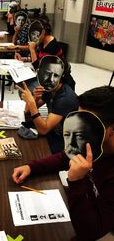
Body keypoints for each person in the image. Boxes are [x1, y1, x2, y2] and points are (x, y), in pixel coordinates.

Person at [12, 86, 114, 241]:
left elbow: (91, 233)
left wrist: (77, 181)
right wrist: (31, 167)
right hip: (89, 205)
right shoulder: (94, 143)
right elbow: (65, 157)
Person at [17, 56, 79, 153]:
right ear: (38, 72)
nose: (50, 79)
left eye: (56, 75)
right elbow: (27, 111)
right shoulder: (50, 88)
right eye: (47, 73)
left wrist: (31, 102)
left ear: (62, 77)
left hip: (65, 143)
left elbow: (43, 129)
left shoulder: (65, 98)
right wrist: (34, 97)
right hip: (54, 132)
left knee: (26, 150)